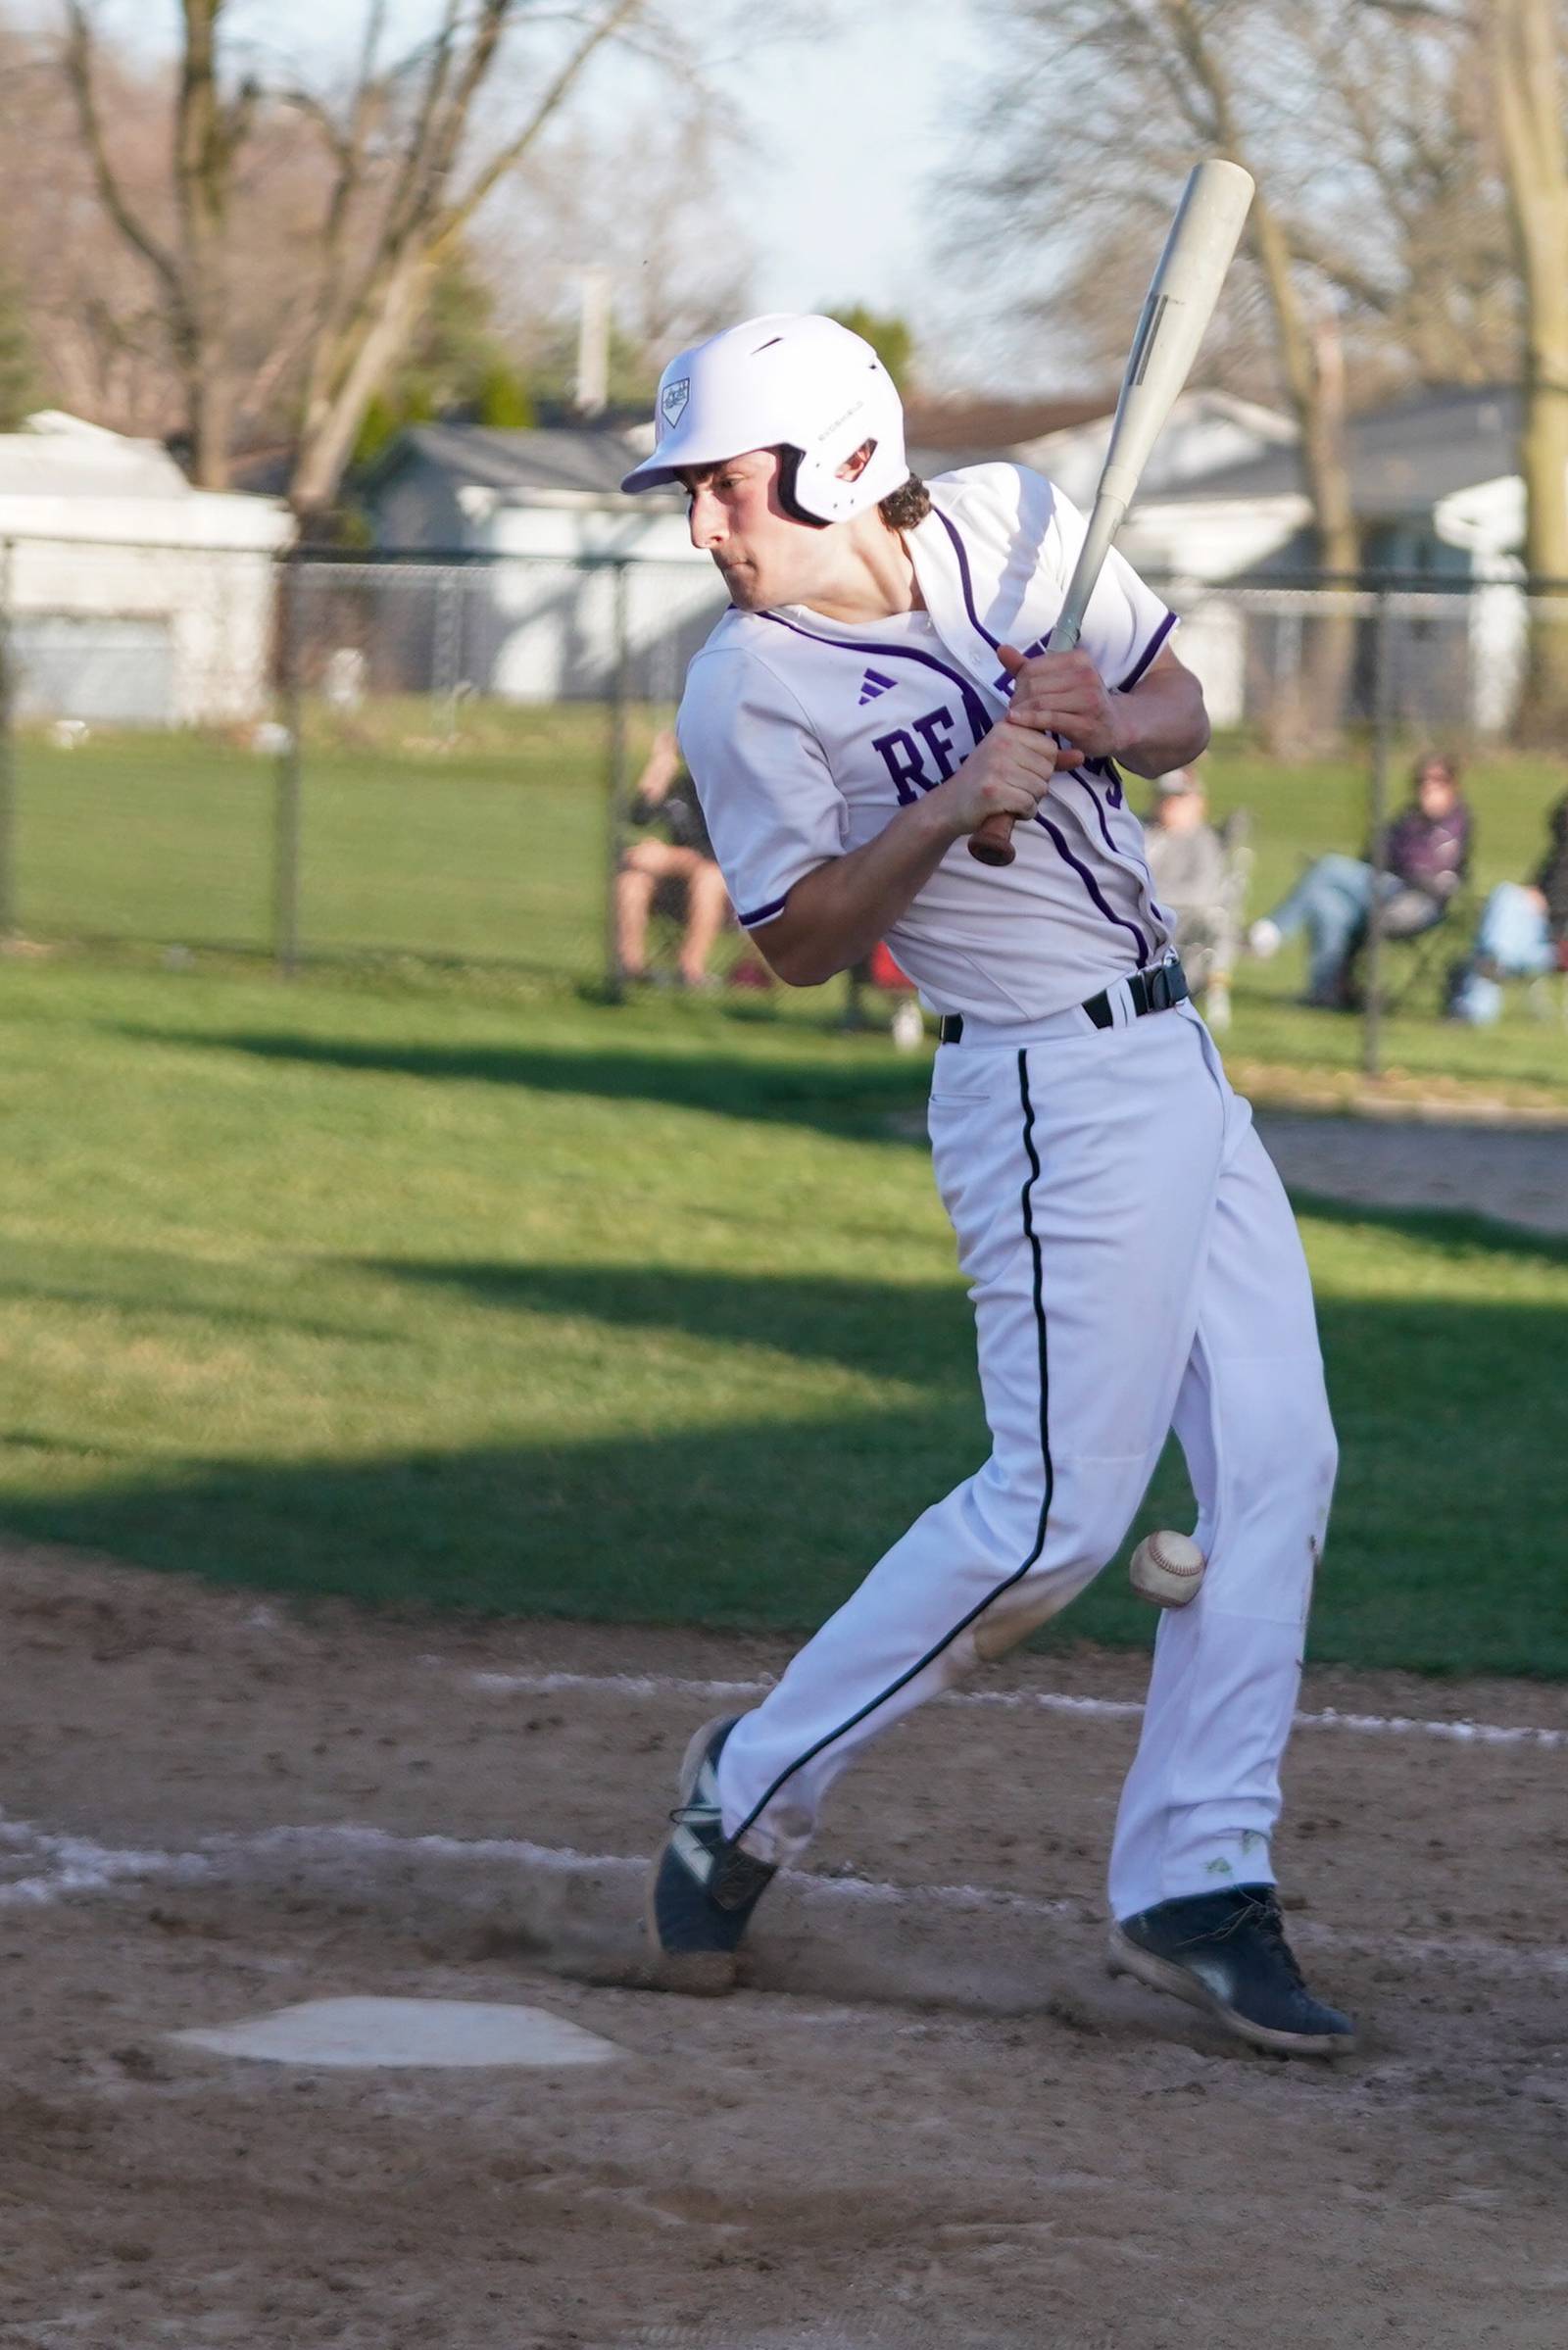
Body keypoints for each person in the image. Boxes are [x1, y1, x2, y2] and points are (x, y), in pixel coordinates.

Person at [620, 313, 1350, 2057]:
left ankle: (1196, 1874)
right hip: (1040, 1083)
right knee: (1054, 1516)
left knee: (1279, 1453)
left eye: (727, 488)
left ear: (837, 462)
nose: (706, 527)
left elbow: (1182, 715)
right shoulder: (748, 683)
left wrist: (1104, 712)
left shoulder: (1024, 525)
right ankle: (750, 1789)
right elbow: (797, 942)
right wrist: (951, 806)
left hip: (1176, 1060)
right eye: (695, 498)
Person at [1248, 754, 1472, 1006]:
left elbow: (1426, 868)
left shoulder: (1454, 823)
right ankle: (1326, 993)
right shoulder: (1408, 819)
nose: (1427, 788)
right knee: (1325, 903)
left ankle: (1270, 932)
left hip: (1416, 900)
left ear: (1452, 785)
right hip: (1383, 888)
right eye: (1421, 781)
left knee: (1328, 867)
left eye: (1437, 781)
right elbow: (1374, 851)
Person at [614, 729, 732, 988]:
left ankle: (690, 971)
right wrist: (660, 767)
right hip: (680, 889)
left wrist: (668, 858)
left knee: (709, 879)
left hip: (733, 899)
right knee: (633, 879)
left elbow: (724, 860)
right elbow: (640, 817)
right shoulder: (681, 789)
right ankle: (629, 969)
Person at [1447, 791, 1568, 1023]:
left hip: (1559, 943)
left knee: (1497, 942)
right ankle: (1493, 962)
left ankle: (1478, 994)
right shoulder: (1561, 856)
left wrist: (1550, 906)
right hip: (1539, 933)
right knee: (1505, 897)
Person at [1140, 767, 1240, 1031]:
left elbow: (1201, 894)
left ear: (1198, 804)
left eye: (1179, 798)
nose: (1169, 804)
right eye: (1164, 796)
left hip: (1175, 929)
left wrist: (1142, 895)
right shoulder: (1139, 830)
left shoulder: (1203, 842)